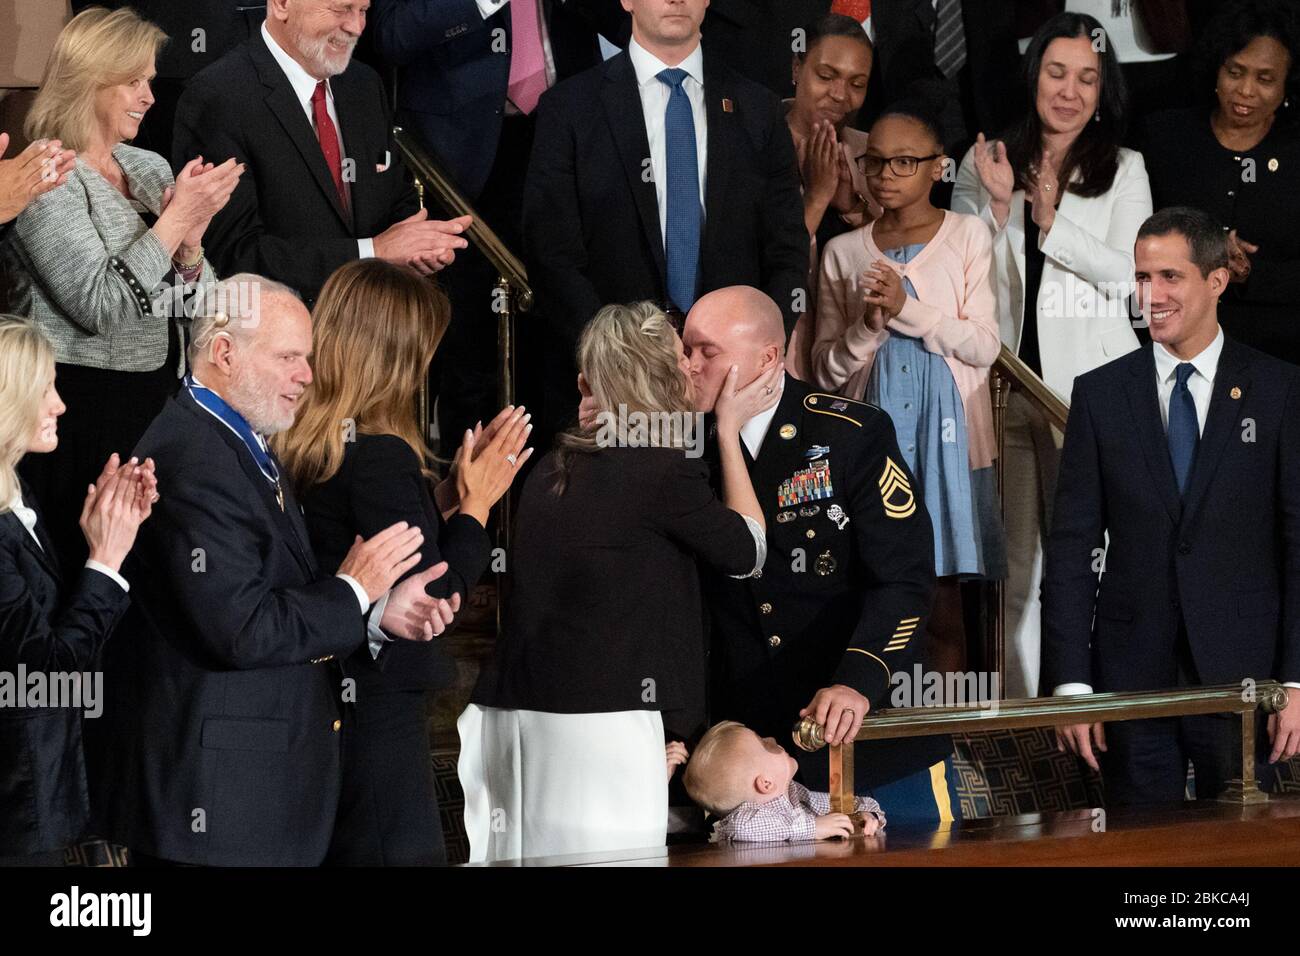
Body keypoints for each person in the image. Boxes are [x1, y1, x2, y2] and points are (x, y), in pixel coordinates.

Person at [92, 274, 460, 866]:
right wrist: (353, 588)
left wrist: (371, 612)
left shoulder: (237, 440)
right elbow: (242, 628)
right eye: (289, 357)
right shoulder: (194, 456)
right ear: (224, 353)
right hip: (218, 804)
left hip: (252, 799)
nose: (307, 376)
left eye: (308, 358)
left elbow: (276, 600)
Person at [459, 301, 775, 862]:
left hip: (513, 715)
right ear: (670, 375)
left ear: (587, 382)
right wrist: (726, 432)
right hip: (600, 727)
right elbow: (748, 553)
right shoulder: (660, 469)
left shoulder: (551, 467)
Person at [274, 259, 531, 866]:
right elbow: (432, 596)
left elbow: (381, 548)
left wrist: (445, 501)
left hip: (327, 706)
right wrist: (479, 505)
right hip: (380, 712)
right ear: (397, 359)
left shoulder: (312, 440)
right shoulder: (382, 455)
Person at [1043, 207, 1300, 803]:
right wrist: (1072, 683)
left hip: (1244, 681)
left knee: (1235, 856)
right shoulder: (1101, 394)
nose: (1149, 295)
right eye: (1140, 277)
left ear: (1217, 280)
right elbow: (1071, 547)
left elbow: (1296, 545)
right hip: (1132, 681)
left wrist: (1294, 679)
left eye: (1168, 277)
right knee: (1138, 852)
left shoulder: (1280, 389)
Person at [685, 286, 958, 828]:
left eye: (705, 352)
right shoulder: (682, 446)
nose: (687, 365)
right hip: (757, 760)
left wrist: (859, 678)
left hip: (871, 733)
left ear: (766, 358)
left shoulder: (850, 432)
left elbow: (905, 579)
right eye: (685, 349)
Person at [952, 10, 1152, 698]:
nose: (1069, 91)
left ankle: (1090, 712)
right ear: (1034, 73)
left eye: (1087, 79)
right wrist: (1000, 209)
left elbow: (1134, 277)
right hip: (1005, 388)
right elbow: (958, 272)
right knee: (1013, 568)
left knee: (1089, 561)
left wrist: (1050, 223)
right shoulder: (986, 160)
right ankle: (1021, 727)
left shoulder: (1125, 169)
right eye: (1057, 72)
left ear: (1105, 90)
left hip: (1090, 394)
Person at [7, 6, 240, 582]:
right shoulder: (47, 174)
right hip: (80, 412)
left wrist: (190, 245)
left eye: (151, 81)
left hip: (158, 407)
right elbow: (100, 304)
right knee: (89, 566)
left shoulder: (148, 166)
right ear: (89, 79)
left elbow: (197, 309)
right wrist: (172, 223)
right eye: (134, 81)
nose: (149, 97)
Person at [522, 0, 807, 437]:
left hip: (733, 386)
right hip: (611, 387)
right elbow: (552, 252)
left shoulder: (759, 108)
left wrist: (755, 348)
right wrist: (614, 358)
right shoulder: (568, 108)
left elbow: (786, 247)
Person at [369, 0, 620, 456]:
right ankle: (477, 509)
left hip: (570, 136)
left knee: (568, 334)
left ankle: (558, 499)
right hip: (462, 161)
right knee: (472, 354)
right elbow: (392, 35)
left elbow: (629, 22)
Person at [814, 103, 1003, 678]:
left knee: (942, 600)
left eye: (904, 162)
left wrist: (906, 308)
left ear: (937, 168)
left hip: (946, 442)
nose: (887, 175)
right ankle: (879, 731)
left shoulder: (967, 234)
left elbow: (984, 346)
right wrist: (868, 329)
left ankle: (949, 743)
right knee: (878, 593)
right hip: (875, 439)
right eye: (875, 163)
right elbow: (824, 372)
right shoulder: (842, 252)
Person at [172, 0, 474, 306]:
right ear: (282, 5)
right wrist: (373, 251)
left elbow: (396, 198)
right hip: (280, 337)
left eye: (363, 11)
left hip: (372, 328)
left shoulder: (365, 85)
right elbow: (233, 255)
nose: (356, 27)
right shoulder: (218, 98)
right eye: (342, 9)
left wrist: (420, 246)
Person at [0, 316, 155, 865]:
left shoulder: (17, 495)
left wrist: (104, 533)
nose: (60, 405)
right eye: (45, 389)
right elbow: (43, 678)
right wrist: (105, 561)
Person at [1141, 0, 1300, 367]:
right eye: (1235, 71)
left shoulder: (1294, 155)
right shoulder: (1165, 137)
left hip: (1278, 354)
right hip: (1171, 346)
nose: (1245, 90)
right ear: (1216, 69)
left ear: (1286, 85)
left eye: (1264, 78)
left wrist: (1248, 273)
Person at [783, 12, 876, 380]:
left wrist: (853, 207)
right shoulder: (755, 141)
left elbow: (896, 264)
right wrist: (817, 198)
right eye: (826, 76)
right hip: (780, 352)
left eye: (857, 83)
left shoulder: (872, 152)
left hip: (852, 362)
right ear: (796, 67)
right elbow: (757, 258)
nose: (840, 95)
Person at [682, 720, 885, 843]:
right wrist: (813, 827)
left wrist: (866, 815)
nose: (771, 739)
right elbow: (743, 827)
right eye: (764, 743)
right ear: (766, 783)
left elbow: (854, 802)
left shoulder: (797, 794)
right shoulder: (743, 819)